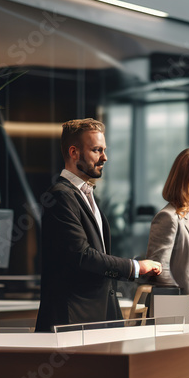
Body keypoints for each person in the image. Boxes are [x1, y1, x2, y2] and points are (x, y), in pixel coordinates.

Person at [35, 118, 161, 332]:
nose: (105, 157)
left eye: (104, 150)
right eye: (96, 150)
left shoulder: (86, 196)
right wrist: (136, 267)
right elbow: (82, 256)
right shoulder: (60, 196)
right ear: (74, 152)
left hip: (99, 318)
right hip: (72, 322)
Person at [145, 148, 189, 295]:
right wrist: (181, 298)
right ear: (184, 179)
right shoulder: (167, 217)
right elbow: (159, 270)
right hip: (176, 308)